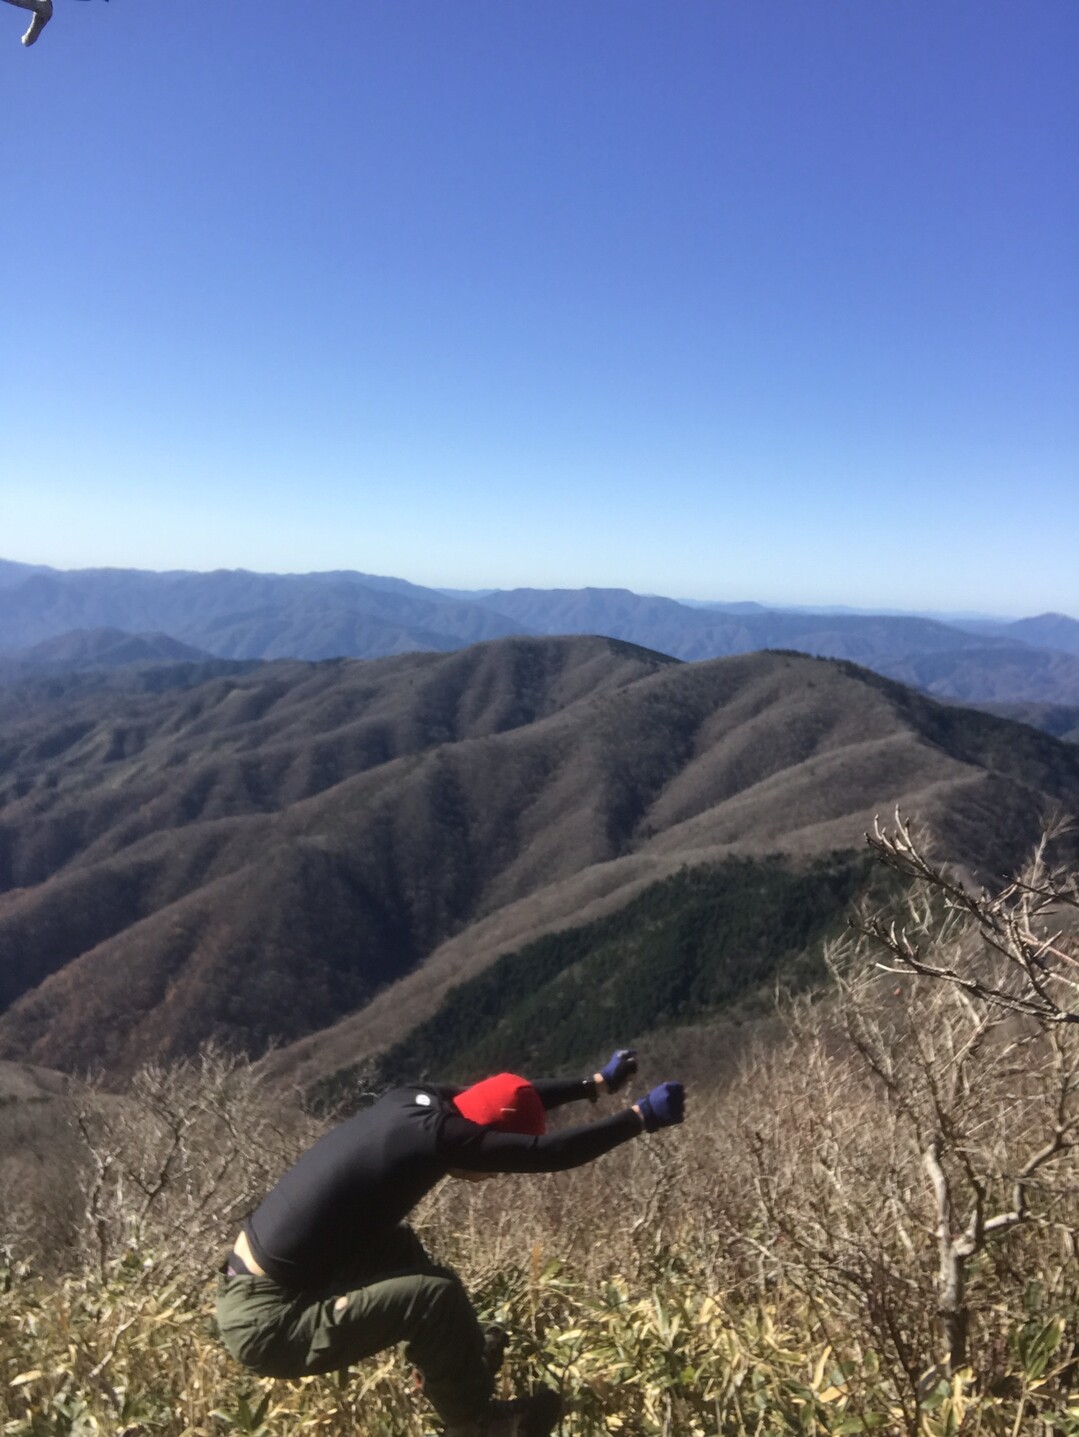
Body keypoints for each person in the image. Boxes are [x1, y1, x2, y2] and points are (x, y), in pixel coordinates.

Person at [216, 1050, 686, 1437]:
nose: (492, 1175)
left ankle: (451, 1366)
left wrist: (595, 1085)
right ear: (483, 1143)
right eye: (495, 1163)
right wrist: (638, 1118)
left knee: (398, 1249)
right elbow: (552, 1153)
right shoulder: (441, 1139)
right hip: (268, 1322)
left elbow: (513, 1093)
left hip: (265, 1274)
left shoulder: (420, 1101)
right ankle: (479, 1425)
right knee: (433, 1296)